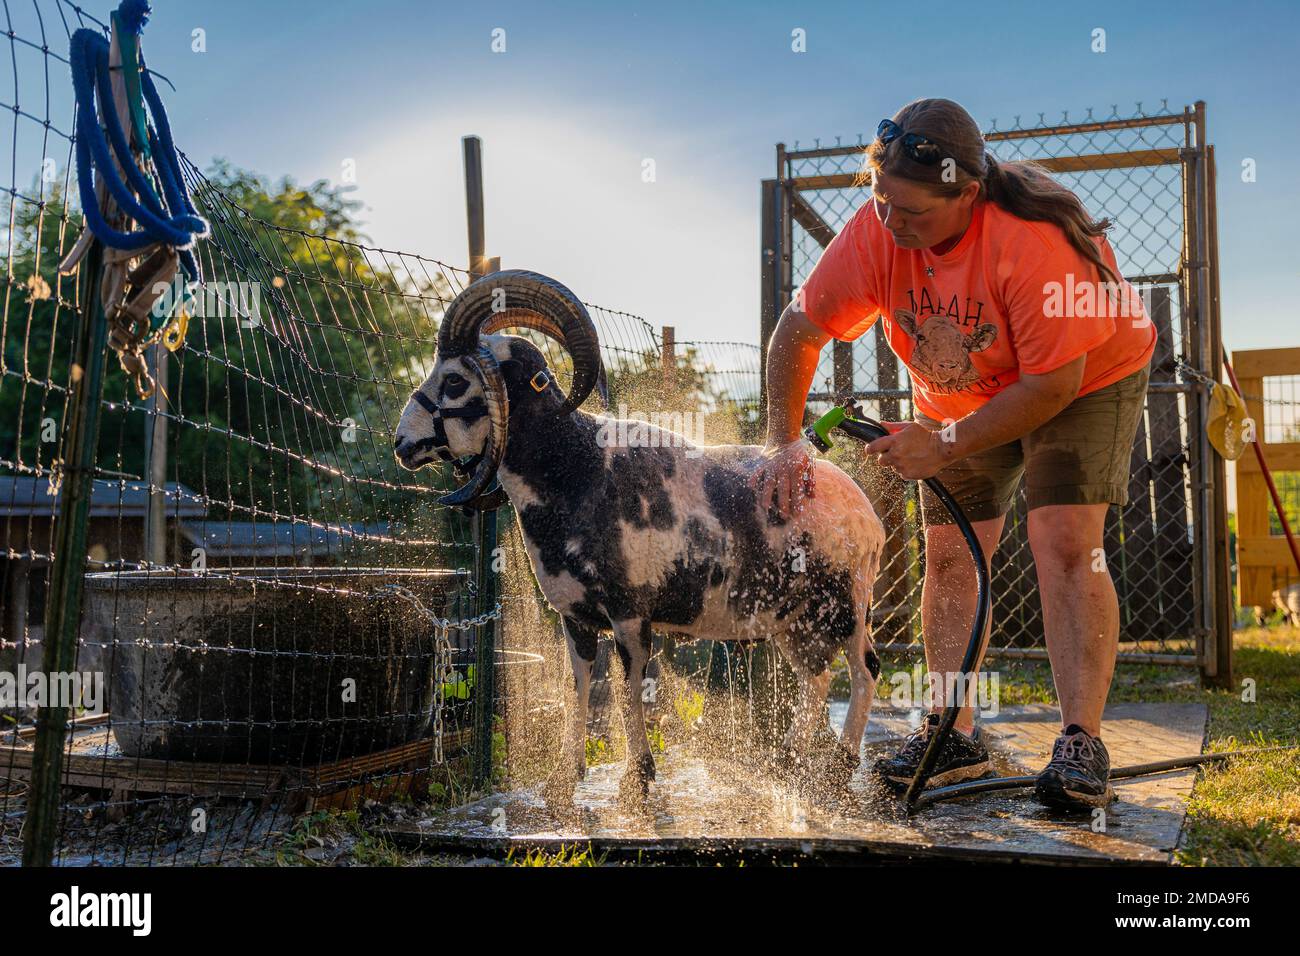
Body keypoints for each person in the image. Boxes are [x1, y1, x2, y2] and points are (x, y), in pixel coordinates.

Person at [753, 97, 1155, 809]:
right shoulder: (875, 233)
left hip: (1084, 376)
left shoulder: (1031, 241)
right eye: (880, 202)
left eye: (911, 213)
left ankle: (1080, 742)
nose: (890, 224)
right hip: (962, 390)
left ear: (967, 194)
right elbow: (797, 331)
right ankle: (952, 733)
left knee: (1063, 539)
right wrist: (784, 445)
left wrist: (944, 444)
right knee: (951, 554)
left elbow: (1050, 383)